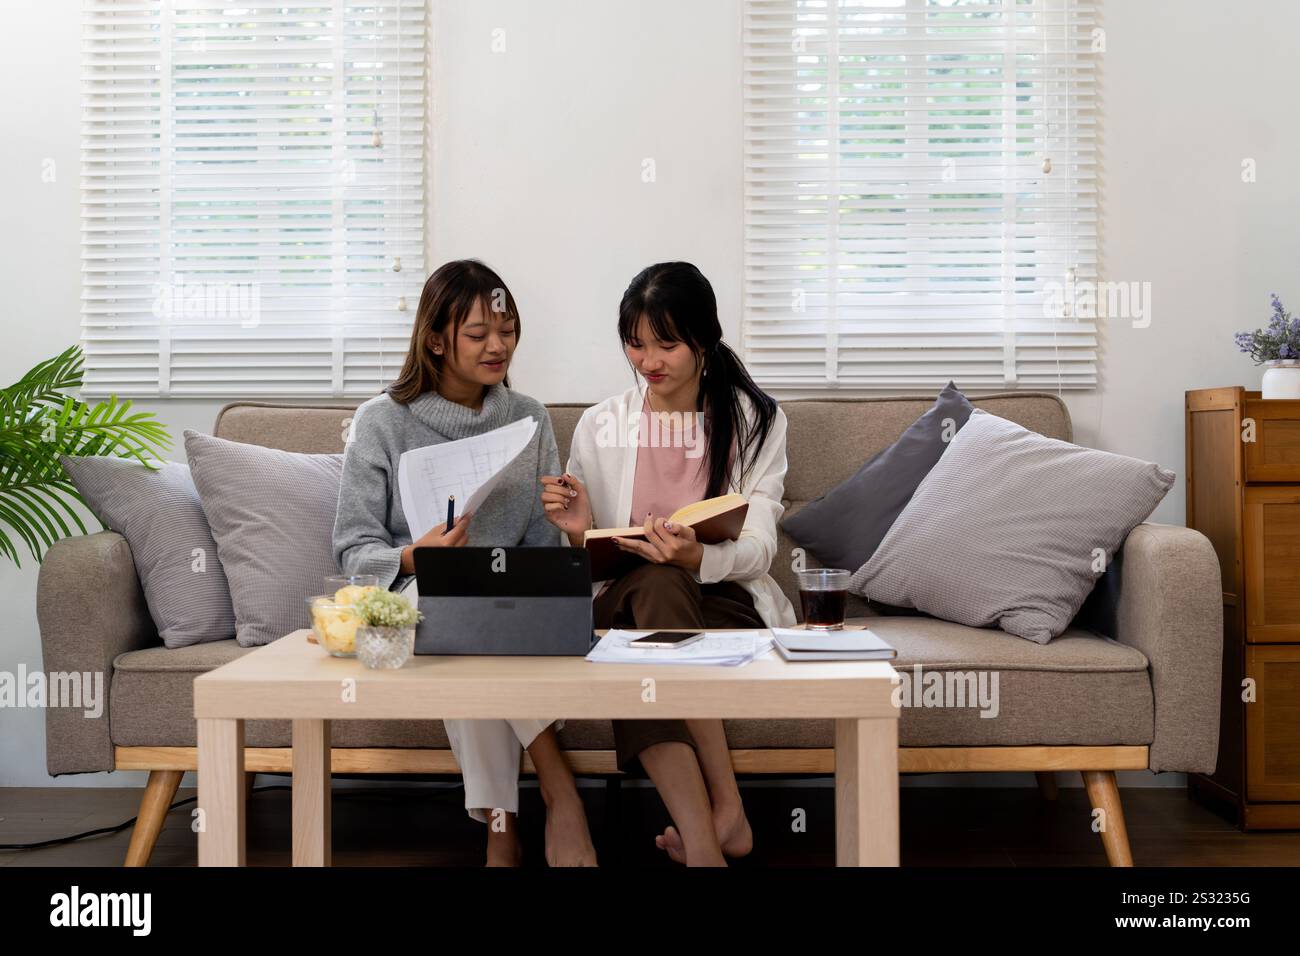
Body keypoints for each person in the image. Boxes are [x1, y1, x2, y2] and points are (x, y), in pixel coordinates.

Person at [333, 258, 596, 867]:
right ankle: (557, 793)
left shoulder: (529, 417)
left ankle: (502, 835)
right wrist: (414, 554)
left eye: (506, 331)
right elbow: (352, 549)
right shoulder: (381, 422)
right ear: (435, 338)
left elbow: (539, 547)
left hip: (510, 598)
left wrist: (568, 531)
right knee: (454, 617)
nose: (497, 346)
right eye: (478, 334)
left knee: (484, 619)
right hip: (418, 599)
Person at [540, 261, 796, 866]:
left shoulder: (756, 419)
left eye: (666, 344)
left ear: (704, 339)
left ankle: (715, 831)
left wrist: (698, 555)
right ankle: (717, 827)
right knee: (651, 586)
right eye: (635, 343)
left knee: (645, 623)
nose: (647, 361)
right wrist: (578, 532)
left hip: (724, 607)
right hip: (621, 600)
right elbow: (589, 560)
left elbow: (760, 547)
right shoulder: (602, 425)